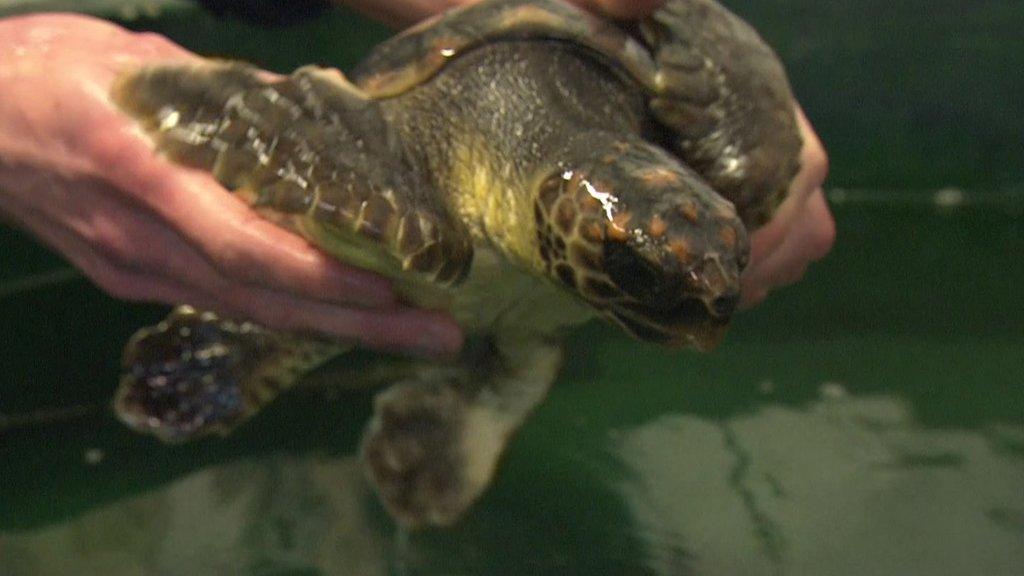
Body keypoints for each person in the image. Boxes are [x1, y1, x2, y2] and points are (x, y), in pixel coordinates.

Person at [0, 0, 834, 357]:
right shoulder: (405, 202)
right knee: (307, 301)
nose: (706, 300)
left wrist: (752, 169)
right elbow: (186, 111)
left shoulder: (711, 161)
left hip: (517, 275)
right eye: (630, 267)